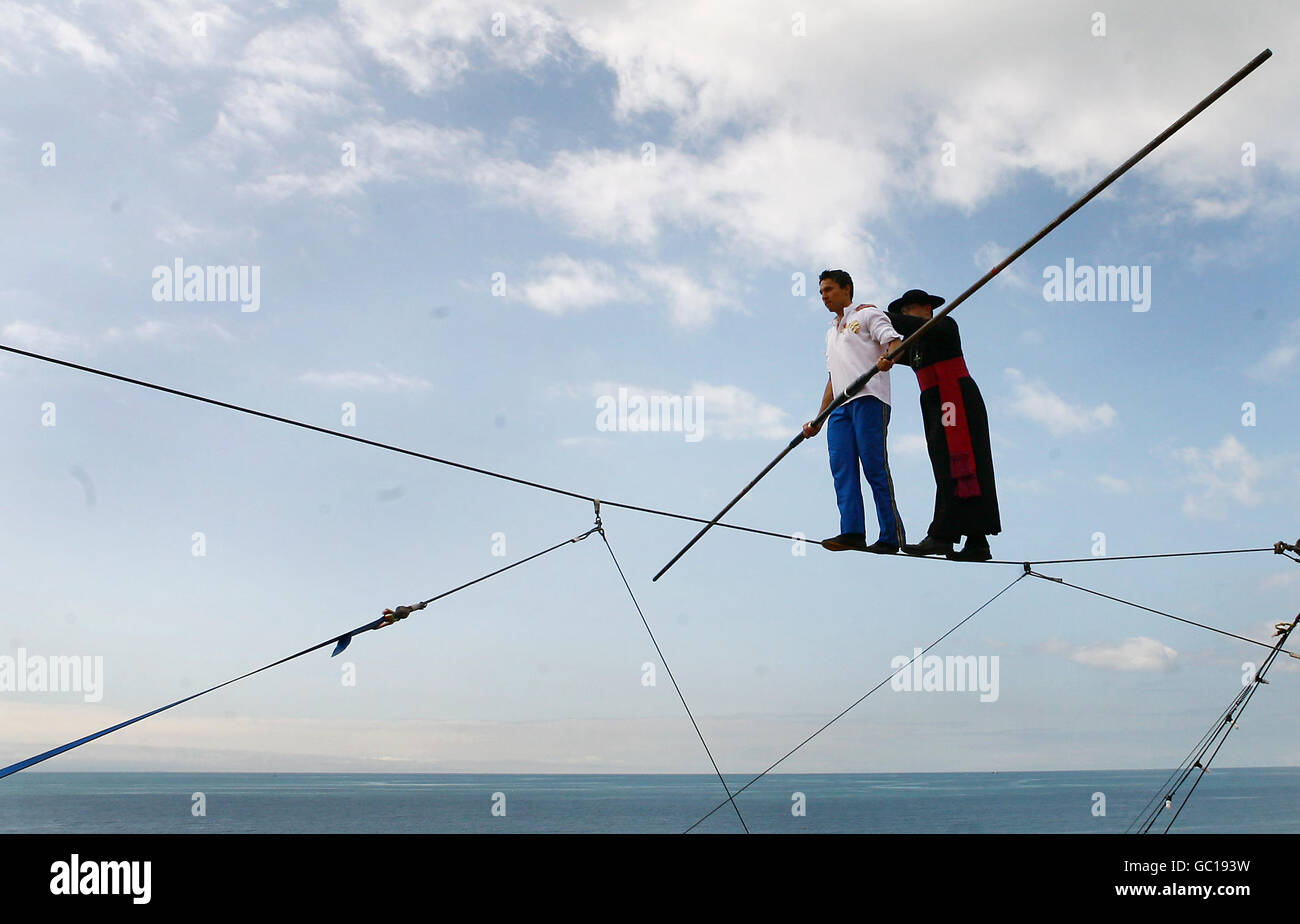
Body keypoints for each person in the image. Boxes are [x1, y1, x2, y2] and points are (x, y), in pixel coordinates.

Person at [877, 288, 1001, 561]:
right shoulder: (915, 345)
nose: (905, 315)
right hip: (935, 401)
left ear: (926, 308)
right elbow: (892, 355)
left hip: (954, 399)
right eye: (903, 311)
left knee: (957, 463)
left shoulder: (943, 325)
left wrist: (875, 315)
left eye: (909, 310)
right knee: (950, 465)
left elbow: (911, 326)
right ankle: (976, 542)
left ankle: (942, 536)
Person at [803, 269, 905, 554]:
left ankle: (890, 535)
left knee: (874, 467)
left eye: (829, 289)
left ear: (847, 289)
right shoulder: (829, 333)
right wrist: (818, 419)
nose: (824, 296)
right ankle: (853, 531)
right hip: (839, 409)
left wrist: (890, 358)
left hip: (869, 399)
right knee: (843, 469)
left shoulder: (868, 314)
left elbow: (895, 343)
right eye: (821, 291)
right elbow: (833, 378)